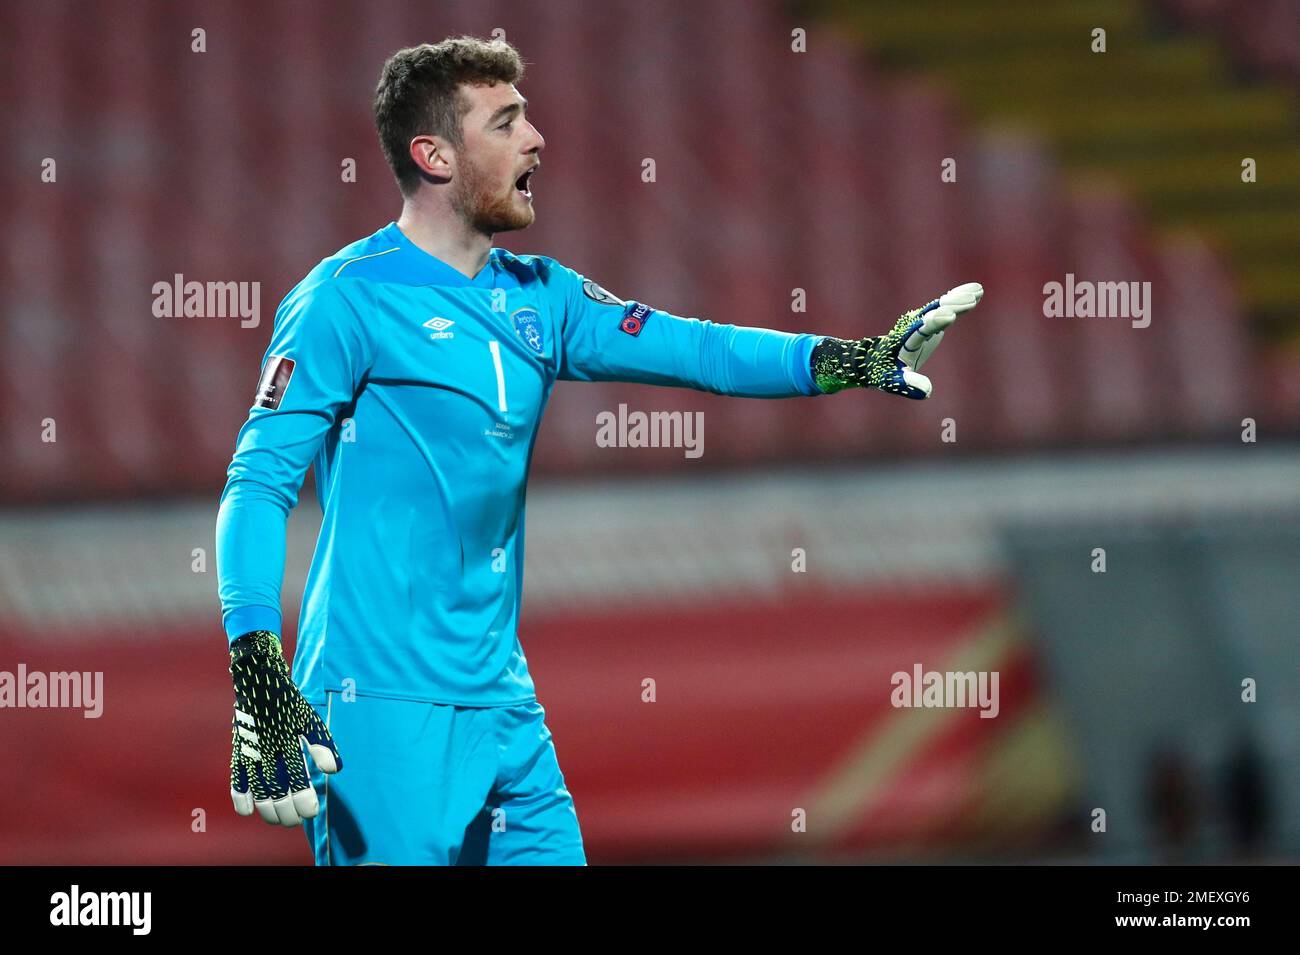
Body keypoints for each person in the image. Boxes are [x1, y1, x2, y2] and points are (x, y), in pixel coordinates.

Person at [216, 35, 983, 866]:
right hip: (380, 705)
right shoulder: (343, 300)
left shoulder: (542, 298)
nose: (536, 138)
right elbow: (257, 483)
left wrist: (850, 360)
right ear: (433, 155)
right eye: (506, 122)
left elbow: (702, 350)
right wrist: (257, 659)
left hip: (502, 703)